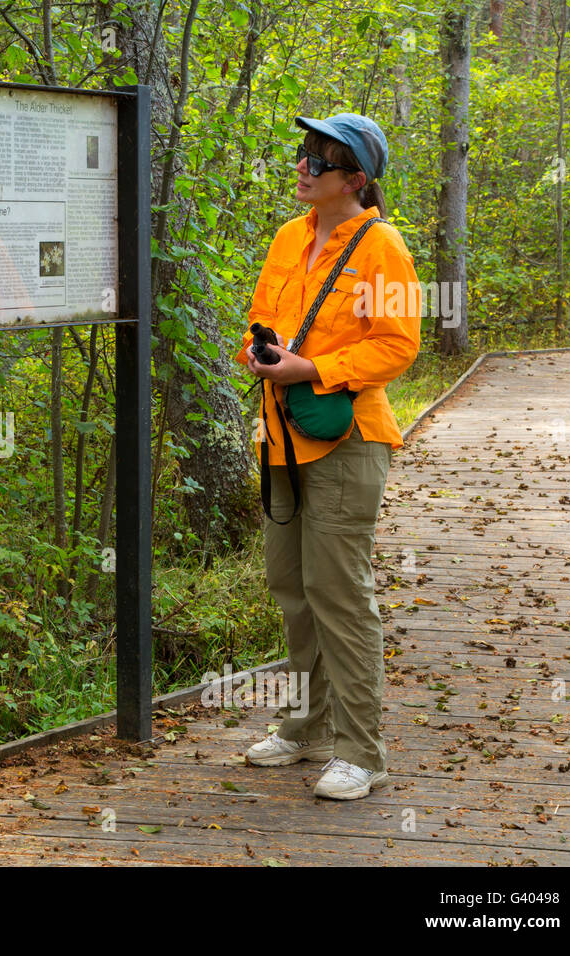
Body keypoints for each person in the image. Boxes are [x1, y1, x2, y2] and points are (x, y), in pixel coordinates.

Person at [232, 113, 421, 800]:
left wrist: (313, 369)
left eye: (323, 158)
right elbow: (261, 320)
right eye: (305, 152)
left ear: (357, 179)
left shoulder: (382, 247)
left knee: (339, 593)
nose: (305, 166)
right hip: (279, 435)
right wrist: (261, 355)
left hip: (348, 440)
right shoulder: (289, 236)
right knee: (292, 587)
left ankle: (361, 751)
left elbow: (398, 345)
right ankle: (304, 723)